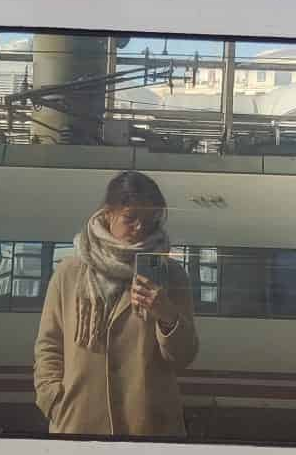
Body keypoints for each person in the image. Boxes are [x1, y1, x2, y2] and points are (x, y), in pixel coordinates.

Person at [33, 171, 199, 438]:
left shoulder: (171, 275)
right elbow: (49, 344)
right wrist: (52, 398)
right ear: (108, 213)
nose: (139, 228)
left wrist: (167, 315)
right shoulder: (70, 272)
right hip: (78, 420)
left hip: (149, 425)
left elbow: (184, 356)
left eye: (148, 220)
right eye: (130, 218)